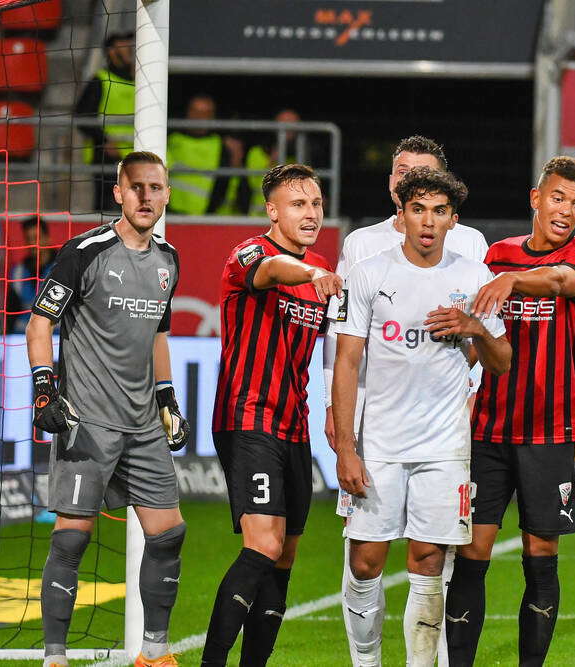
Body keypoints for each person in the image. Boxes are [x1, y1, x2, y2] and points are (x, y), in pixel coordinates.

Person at [333, 167, 510, 666]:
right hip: (380, 443)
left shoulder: (473, 277)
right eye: (418, 210)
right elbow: (346, 362)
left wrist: (475, 327)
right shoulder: (370, 273)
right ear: (402, 214)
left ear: (453, 219)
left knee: (429, 561)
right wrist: (346, 447)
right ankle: (366, 662)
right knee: (365, 562)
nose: (428, 221)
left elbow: (501, 362)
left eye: (439, 211)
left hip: (444, 446)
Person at [26, 151, 188, 667]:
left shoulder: (169, 260)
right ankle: (55, 658)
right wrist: (44, 389)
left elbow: (159, 333)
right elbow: (39, 323)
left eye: (155, 187)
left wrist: (167, 396)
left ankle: (154, 654)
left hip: (143, 426)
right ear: (118, 193)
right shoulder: (85, 252)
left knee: (169, 533)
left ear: (167, 194)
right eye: (136, 187)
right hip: (87, 423)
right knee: (72, 540)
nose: (146, 196)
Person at [445, 156, 575, 666]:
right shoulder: (497, 254)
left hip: (549, 434)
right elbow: (480, 337)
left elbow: (560, 282)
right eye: (558, 198)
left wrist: (513, 281)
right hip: (488, 430)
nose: (567, 211)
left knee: (541, 556)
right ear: (536, 198)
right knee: (472, 553)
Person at [202, 164, 342, 666]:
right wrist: (313, 274)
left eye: (316, 204)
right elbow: (275, 270)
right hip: (248, 417)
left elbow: (338, 347)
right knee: (263, 544)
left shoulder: (321, 266)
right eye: (298, 204)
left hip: (295, 424)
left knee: (284, 556)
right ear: (272, 211)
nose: (311, 213)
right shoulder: (250, 255)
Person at [74, 32, 134, 212]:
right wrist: (105, 140)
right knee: (107, 206)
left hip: (135, 155)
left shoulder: (139, 81)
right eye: (124, 44)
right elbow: (82, 117)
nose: (130, 48)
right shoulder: (100, 80)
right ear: (111, 51)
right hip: (106, 156)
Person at [166, 94, 249, 216]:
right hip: (171, 217)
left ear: (212, 116)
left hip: (207, 218)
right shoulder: (170, 141)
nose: (199, 117)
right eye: (195, 111)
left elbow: (225, 185)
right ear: (187, 112)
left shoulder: (222, 146)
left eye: (205, 113)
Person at [245, 109, 302, 217]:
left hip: (291, 219)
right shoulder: (257, 152)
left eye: (293, 125)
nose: (288, 130)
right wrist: (272, 162)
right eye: (285, 124)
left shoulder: (302, 157)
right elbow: (254, 184)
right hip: (260, 217)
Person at [6, 217, 56, 333]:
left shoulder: (62, 268)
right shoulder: (18, 271)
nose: (33, 243)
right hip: (21, 334)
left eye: (37, 238)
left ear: (47, 238)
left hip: (54, 334)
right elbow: (11, 309)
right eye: (29, 239)